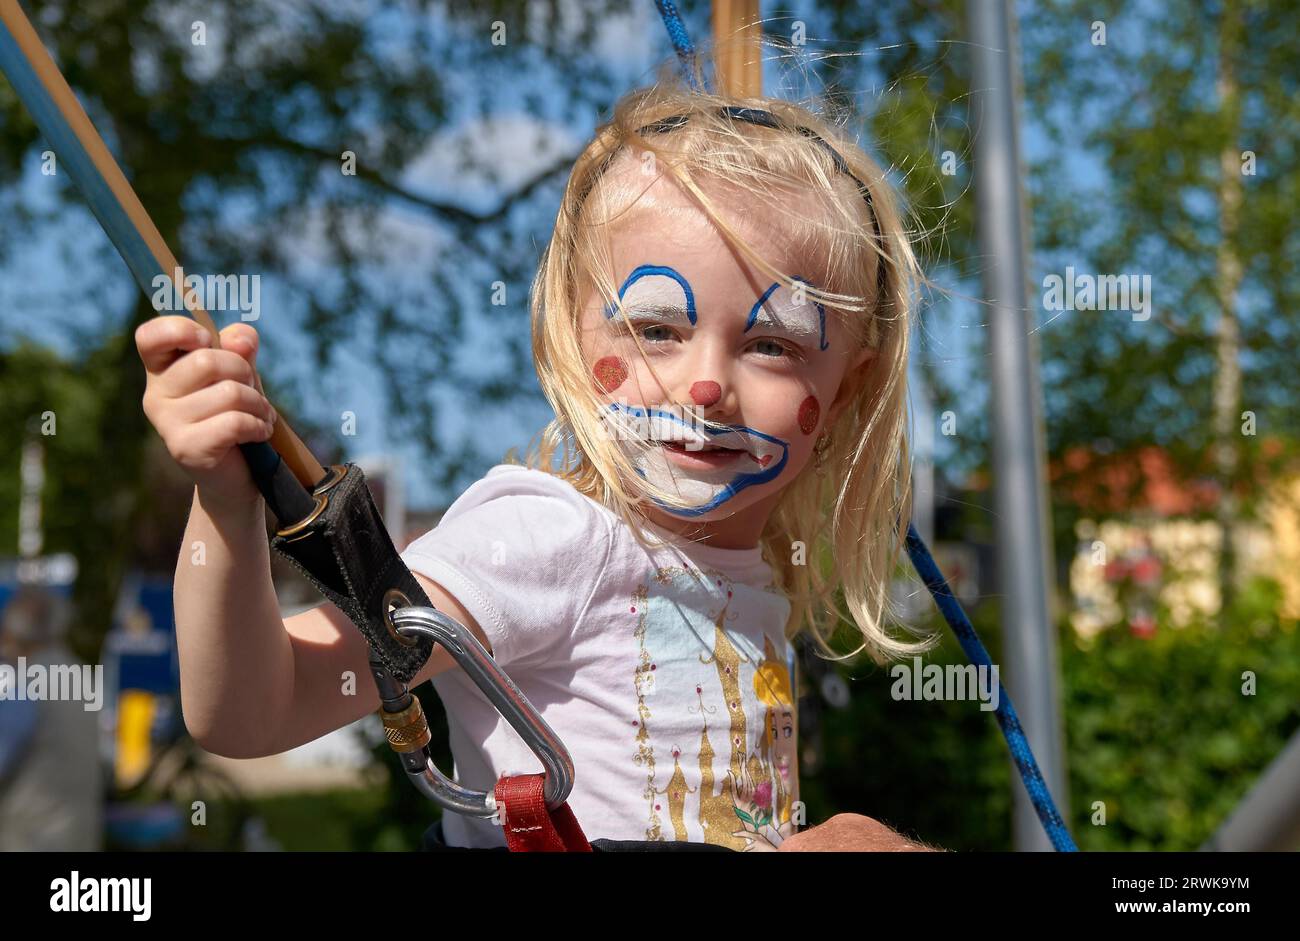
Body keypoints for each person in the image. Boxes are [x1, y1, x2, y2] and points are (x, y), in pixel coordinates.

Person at [134, 75, 942, 851]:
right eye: (655, 328)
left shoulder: (752, 576)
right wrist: (226, 507)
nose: (705, 384)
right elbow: (252, 710)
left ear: (844, 392)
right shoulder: (547, 537)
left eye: (772, 344)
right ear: (574, 331)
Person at [0, 585, 103, 851]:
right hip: (79, 832)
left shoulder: (21, 682)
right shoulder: (80, 674)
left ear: (13, 634)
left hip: (29, 837)